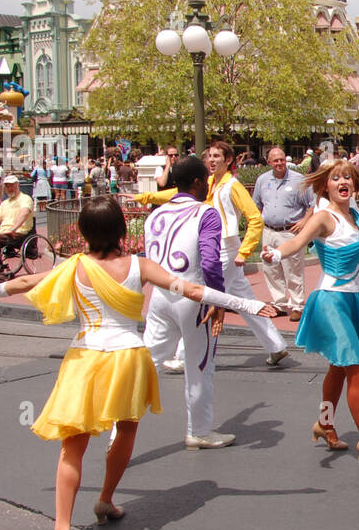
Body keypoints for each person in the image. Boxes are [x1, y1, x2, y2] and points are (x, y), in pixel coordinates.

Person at [0, 195, 267, 530]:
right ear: (122, 229)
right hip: (128, 358)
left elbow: (24, 282)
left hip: (85, 358)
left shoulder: (75, 267)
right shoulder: (140, 266)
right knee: (126, 429)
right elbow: (193, 290)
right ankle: (105, 498)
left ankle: (62, 528)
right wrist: (250, 305)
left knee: (73, 446)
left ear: (84, 233)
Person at [261, 159, 359, 469]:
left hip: (354, 301)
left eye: (347, 177)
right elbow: (298, 240)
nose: (342, 181)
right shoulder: (323, 217)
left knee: (338, 367)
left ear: (355, 185)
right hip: (332, 300)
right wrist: (276, 253)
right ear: (327, 186)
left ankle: (325, 424)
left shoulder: (356, 216)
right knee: (358, 372)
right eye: (336, 178)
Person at [135, 141, 287, 364]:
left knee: (203, 298)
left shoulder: (232, 186)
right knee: (243, 299)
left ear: (228, 161)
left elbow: (255, 218)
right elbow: (176, 194)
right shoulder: (206, 183)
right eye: (210, 156)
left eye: (218, 156)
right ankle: (277, 345)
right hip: (215, 246)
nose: (212, 160)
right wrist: (145, 198)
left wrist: (244, 251)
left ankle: (184, 356)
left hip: (226, 249)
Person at [143, 156, 256, 449]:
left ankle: (120, 430)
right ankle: (199, 431)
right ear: (196, 182)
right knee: (200, 366)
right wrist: (217, 300)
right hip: (193, 299)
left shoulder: (154, 216)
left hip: (159, 297)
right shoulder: (205, 214)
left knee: (146, 367)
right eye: (204, 179)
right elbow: (210, 261)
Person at [252, 146, 315, 322]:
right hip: (269, 231)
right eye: (275, 160)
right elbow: (256, 204)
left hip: (290, 233)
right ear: (269, 162)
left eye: (281, 159)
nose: (279, 163)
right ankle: (279, 303)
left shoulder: (298, 179)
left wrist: (304, 221)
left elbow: (312, 203)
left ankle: (297, 305)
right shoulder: (262, 180)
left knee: (293, 269)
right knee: (271, 269)